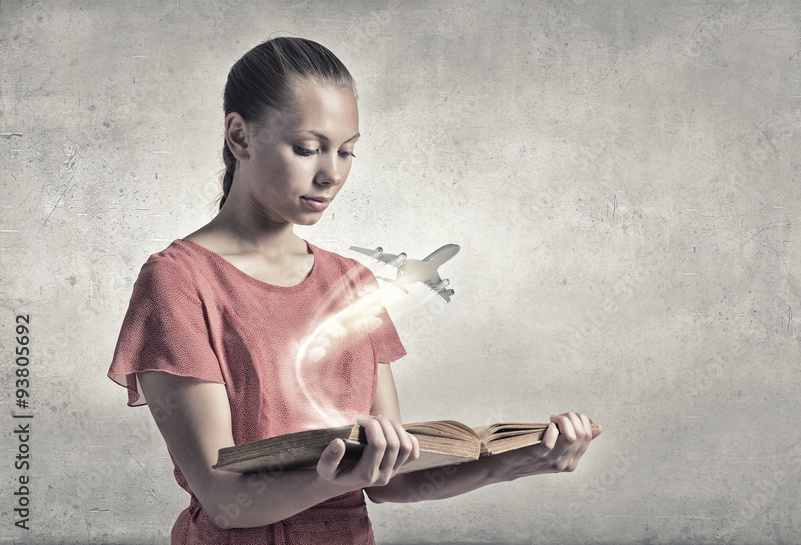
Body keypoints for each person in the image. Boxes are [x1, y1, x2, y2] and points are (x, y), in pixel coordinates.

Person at [108, 36, 602, 545]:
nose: (332, 174)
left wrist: (517, 463)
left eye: (346, 151)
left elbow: (393, 481)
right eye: (307, 148)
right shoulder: (178, 281)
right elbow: (223, 498)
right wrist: (329, 477)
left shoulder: (351, 283)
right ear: (240, 136)